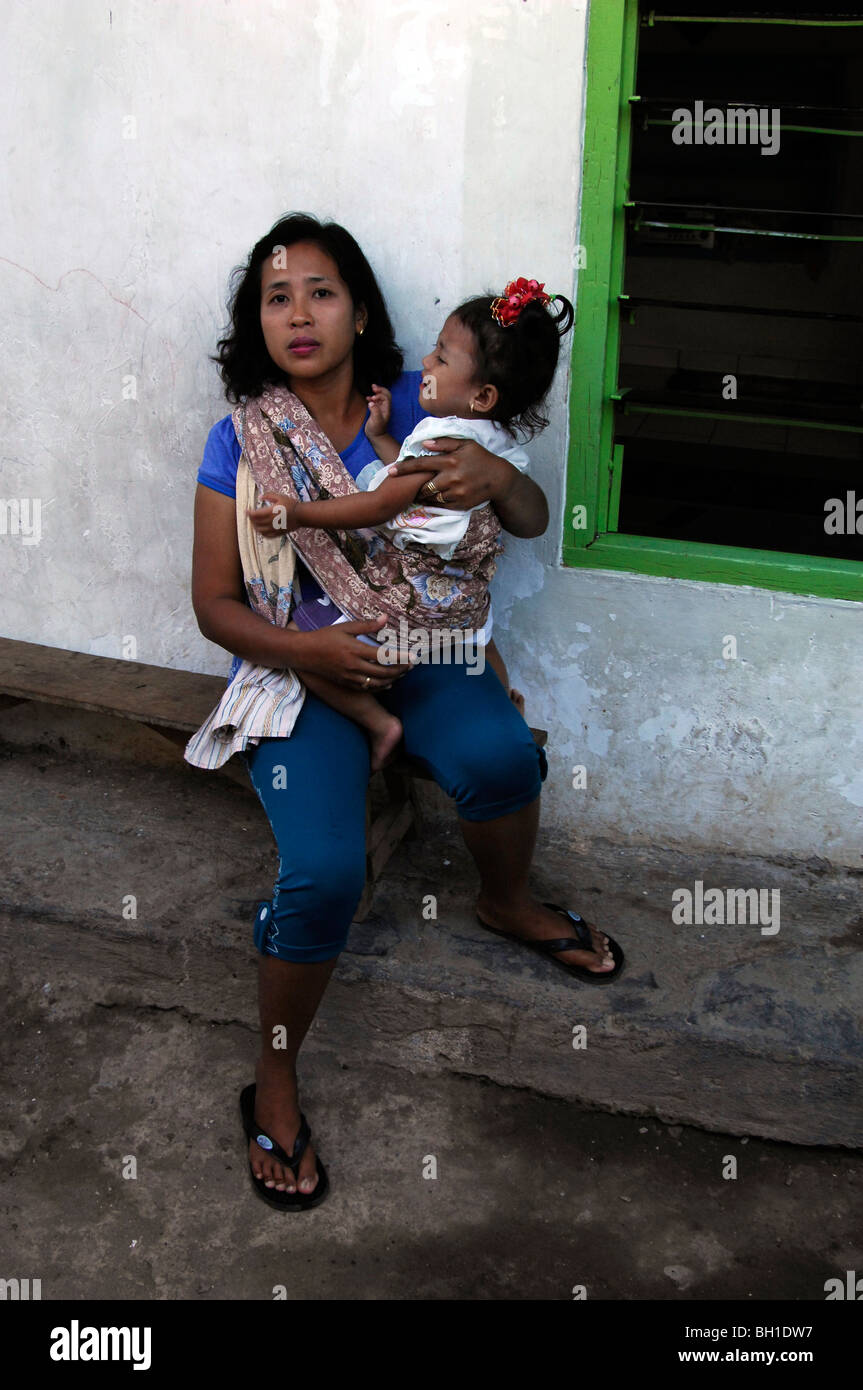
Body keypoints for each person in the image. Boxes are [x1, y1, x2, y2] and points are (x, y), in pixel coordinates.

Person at [191, 212, 625, 1213]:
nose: (298, 313)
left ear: (359, 310)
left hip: (422, 650)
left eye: (320, 290)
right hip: (307, 671)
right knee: (325, 872)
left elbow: (524, 520)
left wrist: (507, 476)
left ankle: (504, 900)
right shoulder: (241, 440)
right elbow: (214, 603)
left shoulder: (434, 429)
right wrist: (308, 647)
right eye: (274, 295)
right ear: (254, 321)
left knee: (502, 757)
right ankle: (278, 1076)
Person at [245, 278, 573, 774]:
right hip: (463, 603)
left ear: (482, 395)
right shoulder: (494, 443)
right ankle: (507, 711)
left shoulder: (441, 437)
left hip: (411, 598)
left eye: (442, 357)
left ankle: (379, 722)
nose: (427, 362)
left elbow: (381, 504)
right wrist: (381, 437)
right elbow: (411, 479)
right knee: (479, 640)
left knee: (299, 635)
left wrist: (299, 512)